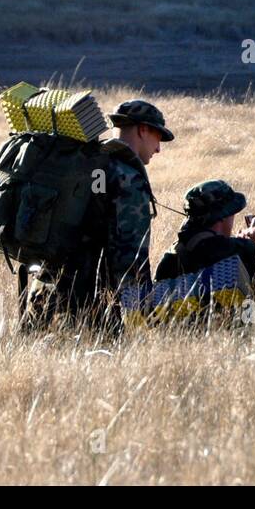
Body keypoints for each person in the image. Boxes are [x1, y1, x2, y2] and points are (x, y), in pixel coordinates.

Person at [19, 99, 174, 334]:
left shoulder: (86, 165)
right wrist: (146, 317)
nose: (158, 148)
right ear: (143, 129)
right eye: (157, 138)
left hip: (42, 295)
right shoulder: (127, 179)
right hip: (86, 311)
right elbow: (130, 262)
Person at [145, 180, 255, 329]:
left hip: (186, 341)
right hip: (241, 339)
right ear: (223, 217)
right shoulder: (238, 252)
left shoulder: (172, 256)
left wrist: (242, 243)